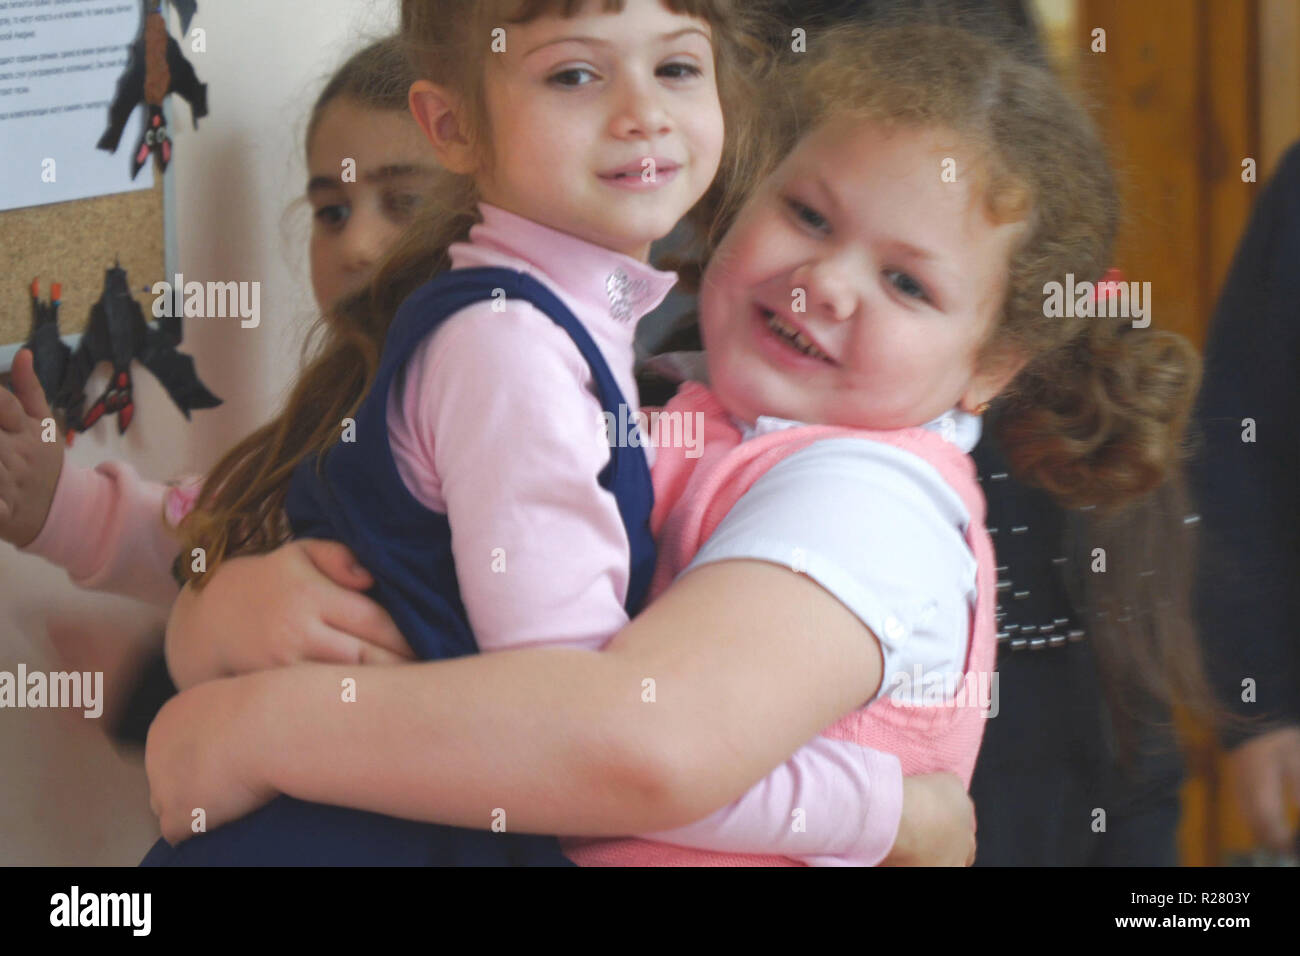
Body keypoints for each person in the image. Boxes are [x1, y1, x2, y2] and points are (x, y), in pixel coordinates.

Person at [145, 17, 1197, 867]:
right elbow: (435, 614)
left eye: (907, 283)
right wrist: (224, 622)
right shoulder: (669, 404)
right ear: (739, 194)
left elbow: (632, 749)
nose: (826, 282)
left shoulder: (871, 499)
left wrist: (252, 726)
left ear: (990, 365)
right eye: (808, 214)